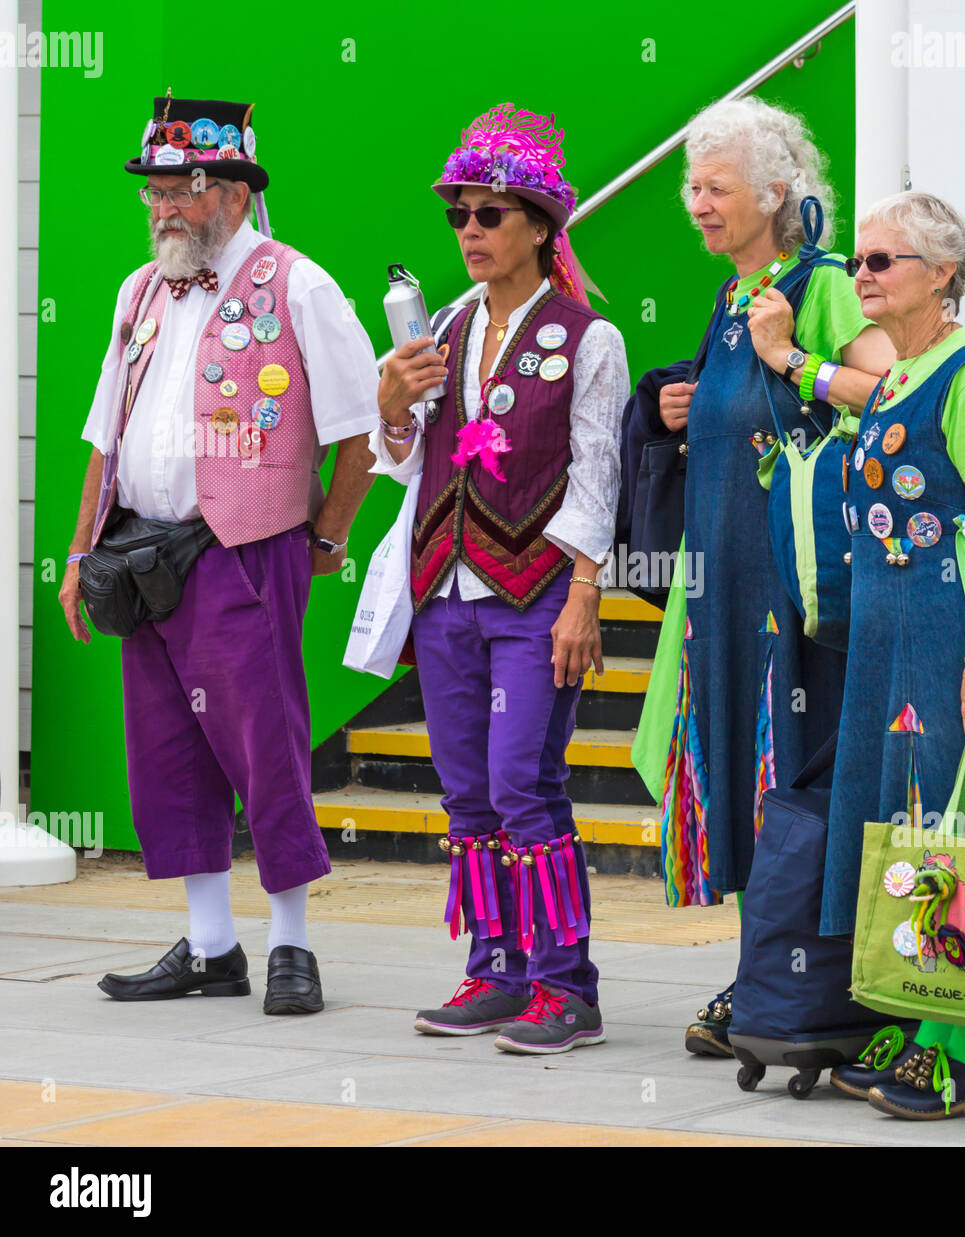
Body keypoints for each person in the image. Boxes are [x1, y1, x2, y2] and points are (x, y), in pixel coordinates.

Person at [63, 94, 381, 1014]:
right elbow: (104, 436)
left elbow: (361, 430)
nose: (162, 208)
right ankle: (211, 946)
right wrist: (81, 551)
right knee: (167, 748)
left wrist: (328, 533)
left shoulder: (301, 285)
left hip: (245, 549)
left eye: (181, 190)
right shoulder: (140, 290)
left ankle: (291, 943)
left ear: (235, 191)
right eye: (153, 192)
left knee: (264, 743)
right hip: (140, 556)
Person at [366, 103, 628, 1054]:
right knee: (467, 789)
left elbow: (598, 471)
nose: (469, 231)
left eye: (488, 213)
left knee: (525, 781)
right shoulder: (439, 324)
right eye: (458, 216)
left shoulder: (589, 338)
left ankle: (567, 985)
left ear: (539, 226)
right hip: (445, 588)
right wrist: (392, 408)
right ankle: (496, 965)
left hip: (537, 593)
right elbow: (403, 461)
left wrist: (585, 598)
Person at [658, 98, 894, 1057]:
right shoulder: (728, 296)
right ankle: (768, 971)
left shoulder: (824, 285)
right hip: (723, 587)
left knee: (790, 770)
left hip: (795, 589)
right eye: (692, 188)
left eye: (715, 187)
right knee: (745, 775)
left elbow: (888, 388)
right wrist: (685, 407)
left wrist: (790, 354)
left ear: (777, 193)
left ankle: (817, 977)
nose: (698, 205)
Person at [823, 191, 965, 1117]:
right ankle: (922, 1017)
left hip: (954, 630)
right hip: (889, 634)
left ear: (943, 274)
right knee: (906, 818)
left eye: (883, 261)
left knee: (961, 819)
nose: (862, 275)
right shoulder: (896, 376)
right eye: (857, 262)